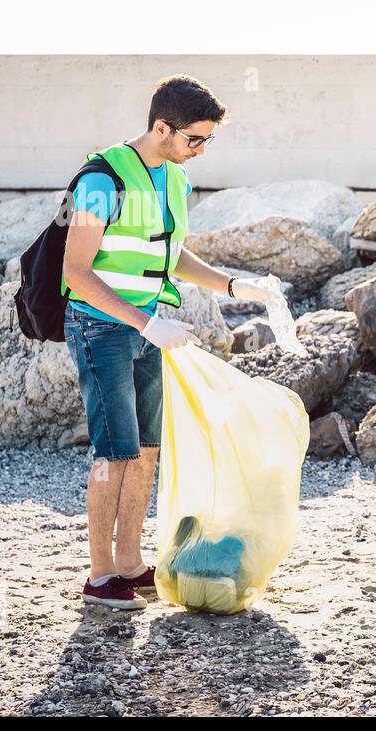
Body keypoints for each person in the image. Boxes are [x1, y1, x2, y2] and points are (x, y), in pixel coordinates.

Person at [63, 75, 272, 610]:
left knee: (148, 451)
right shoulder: (101, 181)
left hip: (147, 330)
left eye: (207, 141)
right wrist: (144, 321)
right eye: (194, 139)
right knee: (115, 452)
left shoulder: (174, 179)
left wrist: (231, 285)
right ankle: (100, 575)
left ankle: (130, 563)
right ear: (162, 127)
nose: (200, 151)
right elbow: (77, 273)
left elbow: (169, 254)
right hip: (99, 327)